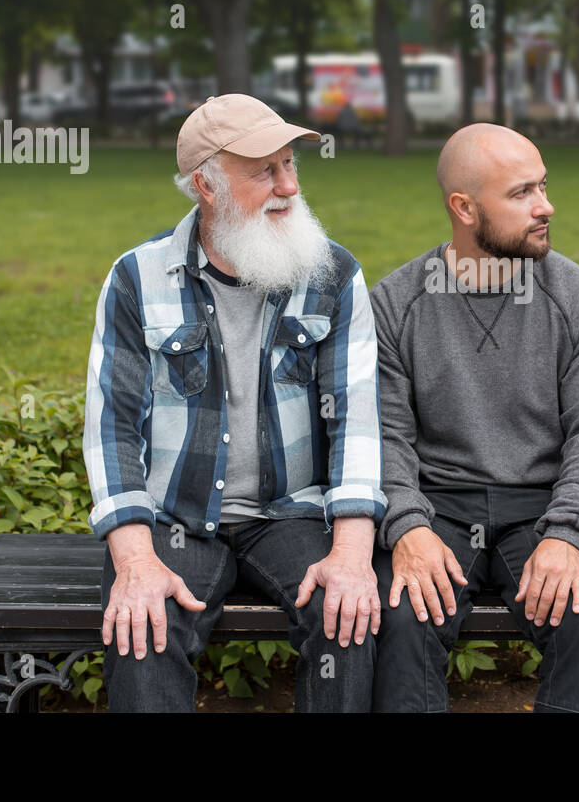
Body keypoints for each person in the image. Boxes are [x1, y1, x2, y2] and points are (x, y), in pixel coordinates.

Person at [83, 94, 384, 712]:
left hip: (294, 515)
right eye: (264, 171)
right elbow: (111, 428)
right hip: (177, 518)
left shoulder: (333, 275)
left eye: (291, 166)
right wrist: (135, 559)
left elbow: (357, 421)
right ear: (206, 186)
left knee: (346, 614)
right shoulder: (137, 279)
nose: (288, 187)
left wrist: (352, 556)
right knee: (144, 625)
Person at [370, 122, 579, 712]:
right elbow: (384, 435)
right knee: (403, 620)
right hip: (439, 505)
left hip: (543, 503)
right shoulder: (396, 304)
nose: (546, 206)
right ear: (463, 207)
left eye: (543, 186)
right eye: (522, 194)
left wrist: (568, 534)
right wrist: (407, 527)